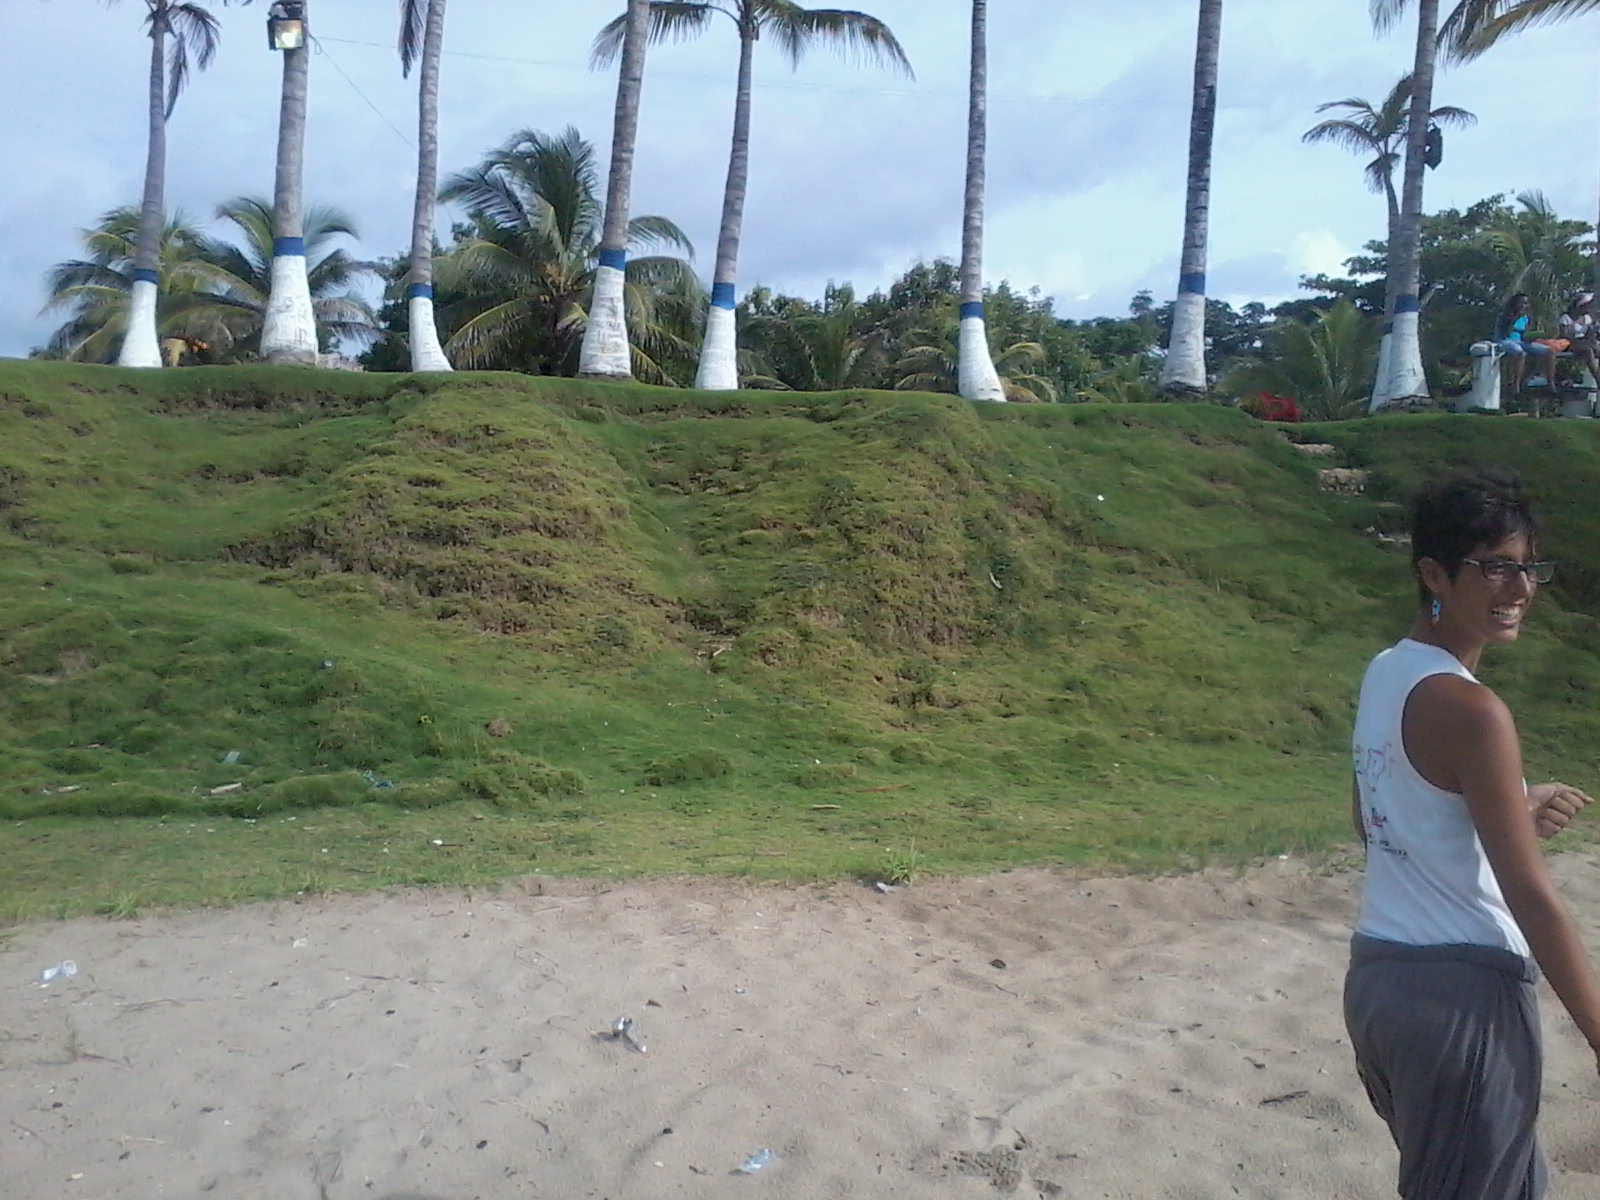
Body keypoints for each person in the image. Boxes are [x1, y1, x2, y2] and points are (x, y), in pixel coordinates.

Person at [1345, 468, 1600, 1200]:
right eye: (1493, 568)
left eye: (1526, 568)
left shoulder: (1387, 671)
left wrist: (1510, 807)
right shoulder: (1472, 709)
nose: (1517, 589)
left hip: (1380, 983)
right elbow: (1532, 894)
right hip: (1461, 998)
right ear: (1434, 573)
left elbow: (1371, 818)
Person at [1493, 293, 1554, 394]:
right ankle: (1515, 385)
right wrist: (1515, 318)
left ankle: (1550, 383)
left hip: (1520, 341)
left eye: (1526, 303)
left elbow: (1524, 335)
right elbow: (1505, 333)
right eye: (1522, 303)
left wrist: (1533, 337)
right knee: (1521, 353)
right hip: (1505, 340)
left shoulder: (1525, 318)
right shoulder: (1505, 316)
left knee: (1549, 351)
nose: (1524, 306)